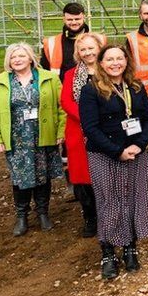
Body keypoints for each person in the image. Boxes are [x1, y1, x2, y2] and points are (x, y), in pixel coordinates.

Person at [78, 44, 148, 280]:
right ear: (101, 63)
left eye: (120, 59)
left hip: (135, 153)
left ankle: (129, 247)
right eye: (110, 59)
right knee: (110, 202)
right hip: (105, 155)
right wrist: (117, 151)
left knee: (133, 199)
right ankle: (108, 252)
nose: (115, 63)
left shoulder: (135, 86)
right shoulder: (91, 90)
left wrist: (140, 145)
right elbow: (90, 128)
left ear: (127, 61)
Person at [0, 42, 65, 236]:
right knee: (20, 177)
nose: (17, 60)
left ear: (30, 58)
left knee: (43, 175)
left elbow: (61, 108)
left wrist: (61, 132)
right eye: (13, 57)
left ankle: (43, 213)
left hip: (43, 134)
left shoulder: (49, 78)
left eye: (21, 56)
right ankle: (22, 216)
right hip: (16, 138)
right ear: (8, 61)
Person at [60, 33, 106, 238]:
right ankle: (90, 217)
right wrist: (88, 119)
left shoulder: (109, 69)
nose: (88, 52)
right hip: (78, 130)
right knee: (82, 176)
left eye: (91, 48)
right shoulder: (71, 74)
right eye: (83, 49)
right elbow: (66, 101)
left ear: (99, 47)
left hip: (106, 128)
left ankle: (107, 215)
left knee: (105, 172)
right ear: (78, 53)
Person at [41, 2, 95, 79]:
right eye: (70, 19)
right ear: (64, 19)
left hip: (92, 87)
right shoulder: (51, 43)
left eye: (77, 19)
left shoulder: (97, 41)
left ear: (84, 18)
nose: (74, 22)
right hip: (61, 88)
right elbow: (44, 71)